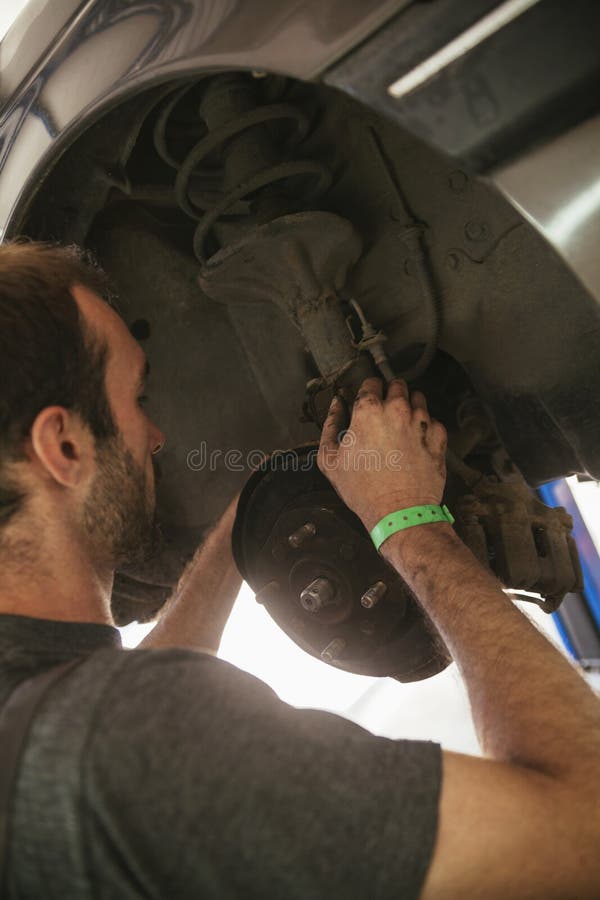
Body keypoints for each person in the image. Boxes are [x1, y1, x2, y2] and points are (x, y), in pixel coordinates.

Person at [0, 240, 598, 900]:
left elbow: (110, 711)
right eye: (136, 400)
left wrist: (240, 521)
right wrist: (407, 517)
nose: (157, 436)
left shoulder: (33, 700)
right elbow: (584, 825)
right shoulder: (146, 737)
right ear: (63, 446)